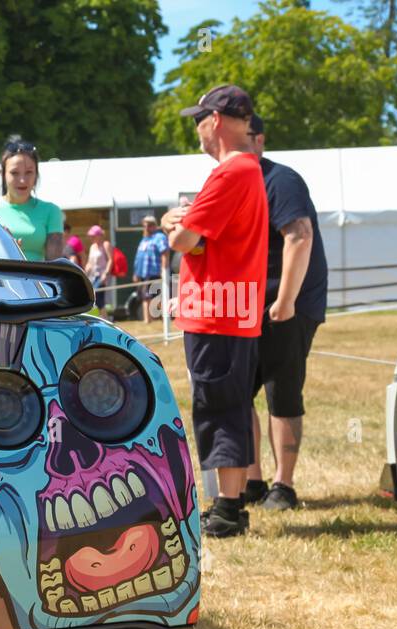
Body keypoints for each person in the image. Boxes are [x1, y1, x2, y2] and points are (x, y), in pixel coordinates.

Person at [161, 84, 269, 538]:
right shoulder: (249, 171)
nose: (197, 130)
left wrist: (176, 223)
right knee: (231, 405)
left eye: (198, 120)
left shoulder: (230, 173)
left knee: (216, 407)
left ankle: (227, 509)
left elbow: (182, 240)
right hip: (233, 309)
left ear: (217, 121)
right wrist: (183, 224)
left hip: (217, 310)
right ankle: (232, 503)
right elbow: (196, 233)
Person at [242, 114, 328, 511]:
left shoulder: (281, 179)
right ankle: (253, 481)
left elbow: (299, 235)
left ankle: (284, 486)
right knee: (239, 393)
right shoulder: (234, 182)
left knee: (282, 391)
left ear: (259, 140)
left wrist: (286, 301)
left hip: (289, 303)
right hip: (249, 303)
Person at [0, 137, 65, 261]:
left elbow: (54, 267)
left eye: (28, 172)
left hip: (38, 280)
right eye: (14, 173)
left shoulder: (51, 211)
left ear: (36, 174)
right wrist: (5, 250)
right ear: (2, 174)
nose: (22, 180)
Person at [132, 214, 169, 324]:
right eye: (145, 225)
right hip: (143, 274)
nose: (146, 228)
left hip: (155, 273)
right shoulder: (144, 240)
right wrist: (136, 273)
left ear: (154, 226)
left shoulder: (159, 237)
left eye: (149, 225)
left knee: (158, 298)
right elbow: (138, 258)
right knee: (145, 297)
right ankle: (147, 320)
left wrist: (164, 270)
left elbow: (165, 253)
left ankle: (164, 320)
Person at [85, 224, 113, 314]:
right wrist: (84, 273)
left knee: (95, 294)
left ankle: (104, 317)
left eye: (93, 236)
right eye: (91, 236)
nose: (91, 238)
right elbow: (90, 262)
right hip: (93, 276)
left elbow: (110, 260)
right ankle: (104, 317)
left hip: (102, 276)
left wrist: (106, 273)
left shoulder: (106, 244)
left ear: (99, 235)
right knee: (97, 299)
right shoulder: (92, 247)